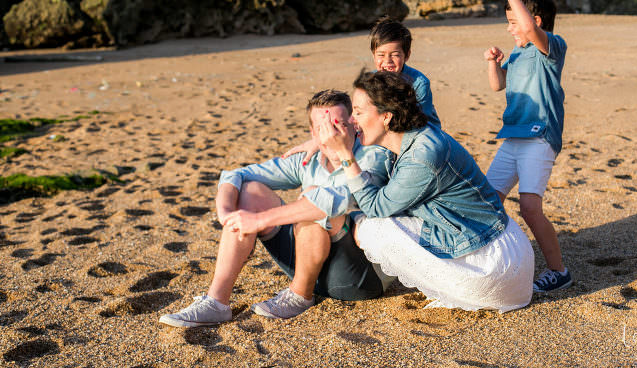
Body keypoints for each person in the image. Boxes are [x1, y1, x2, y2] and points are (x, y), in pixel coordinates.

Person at [159, 90, 391, 326]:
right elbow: (237, 175)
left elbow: (334, 200)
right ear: (312, 133)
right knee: (251, 192)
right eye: (322, 128)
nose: (330, 134)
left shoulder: (374, 155)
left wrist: (259, 221)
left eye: (338, 125)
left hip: (359, 280)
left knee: (312, 201)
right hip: (314, 270)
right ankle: (216, 303)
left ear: (354, 125)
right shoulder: (309, 158)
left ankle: (300, 295)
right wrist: (226, 215)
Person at [318, 70, 534, 312]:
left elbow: (375, 207)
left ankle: (460, 292)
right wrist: (320, 142)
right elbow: (373, 181)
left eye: (358, 112)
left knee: (372, 230)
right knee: (369, 219)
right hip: (487, 246)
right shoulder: (405, 138)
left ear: (386, 116)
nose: (351, 120)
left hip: (494, 268)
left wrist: (345, 154)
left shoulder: (423, 156)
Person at [481, 0, 572, 293]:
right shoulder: (518, 53)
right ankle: (497, 261)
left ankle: (559, 271)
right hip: (513, 137)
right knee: (488, 201)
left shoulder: (552, 47)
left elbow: (531, 30)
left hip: (539, 137)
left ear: (535, 20)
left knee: (530, 208)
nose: (510, 28)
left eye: (513, 22)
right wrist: (493, 63)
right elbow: (498, 84)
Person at [282, 17, 440, 164]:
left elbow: (418, 123)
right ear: (373, 55)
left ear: (407, 55)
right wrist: (319, 140)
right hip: (382, 133)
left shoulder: (419, 83)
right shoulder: (370, 82)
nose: (387, 61)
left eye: (395, 55)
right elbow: (356, 116)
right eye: (381, 55)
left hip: (419, 136)